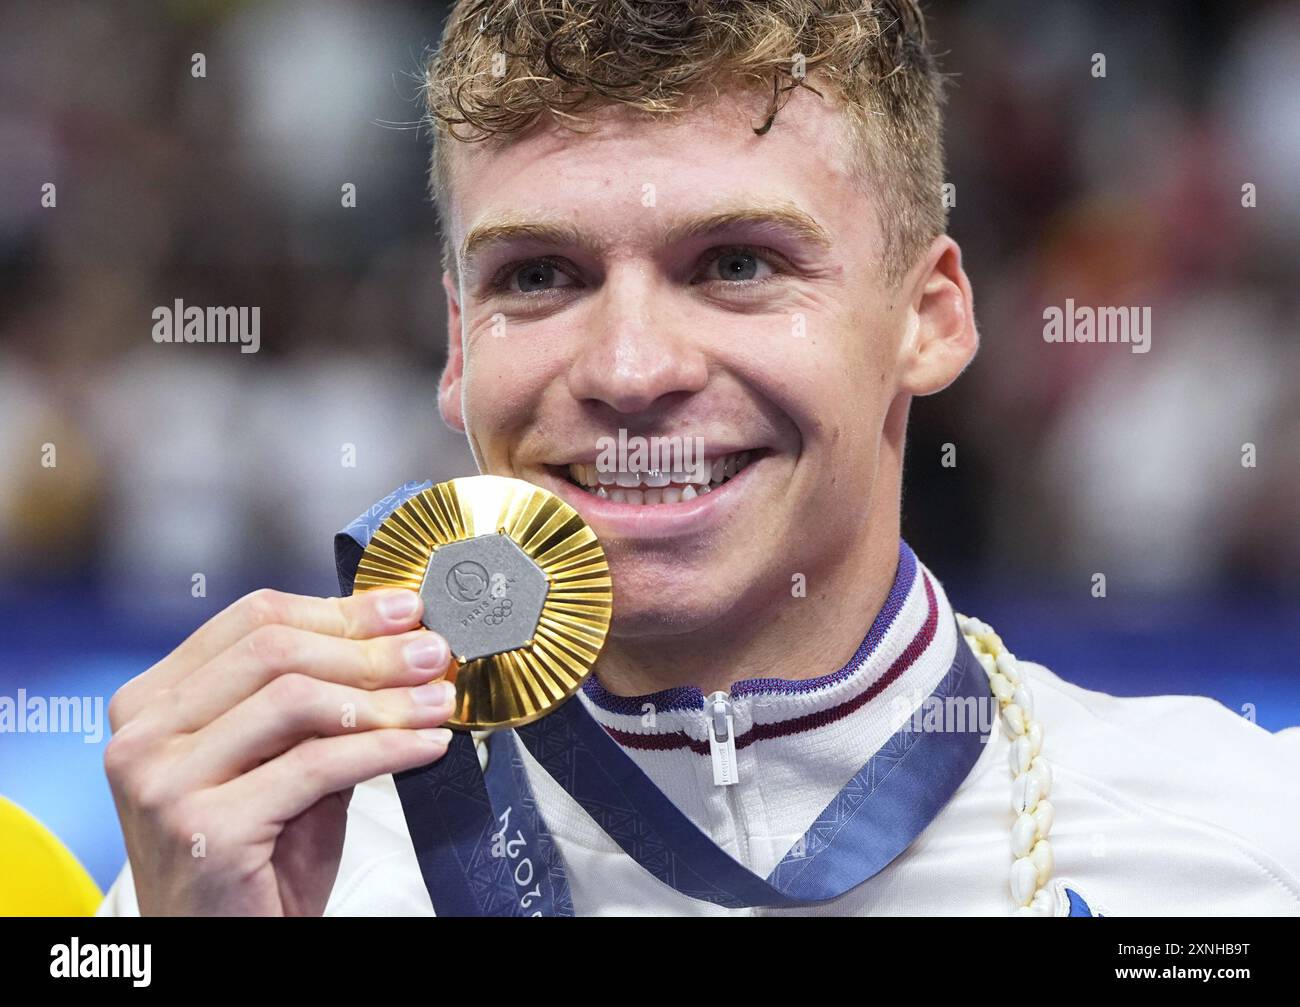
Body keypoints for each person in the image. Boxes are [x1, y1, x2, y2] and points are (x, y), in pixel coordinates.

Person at [97, 0, 1300, 917]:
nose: (628, 369)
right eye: (540, 276)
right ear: (460, 345)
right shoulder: (266, 867)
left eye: (735, 263)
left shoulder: (1242, 846)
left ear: (926, 318)